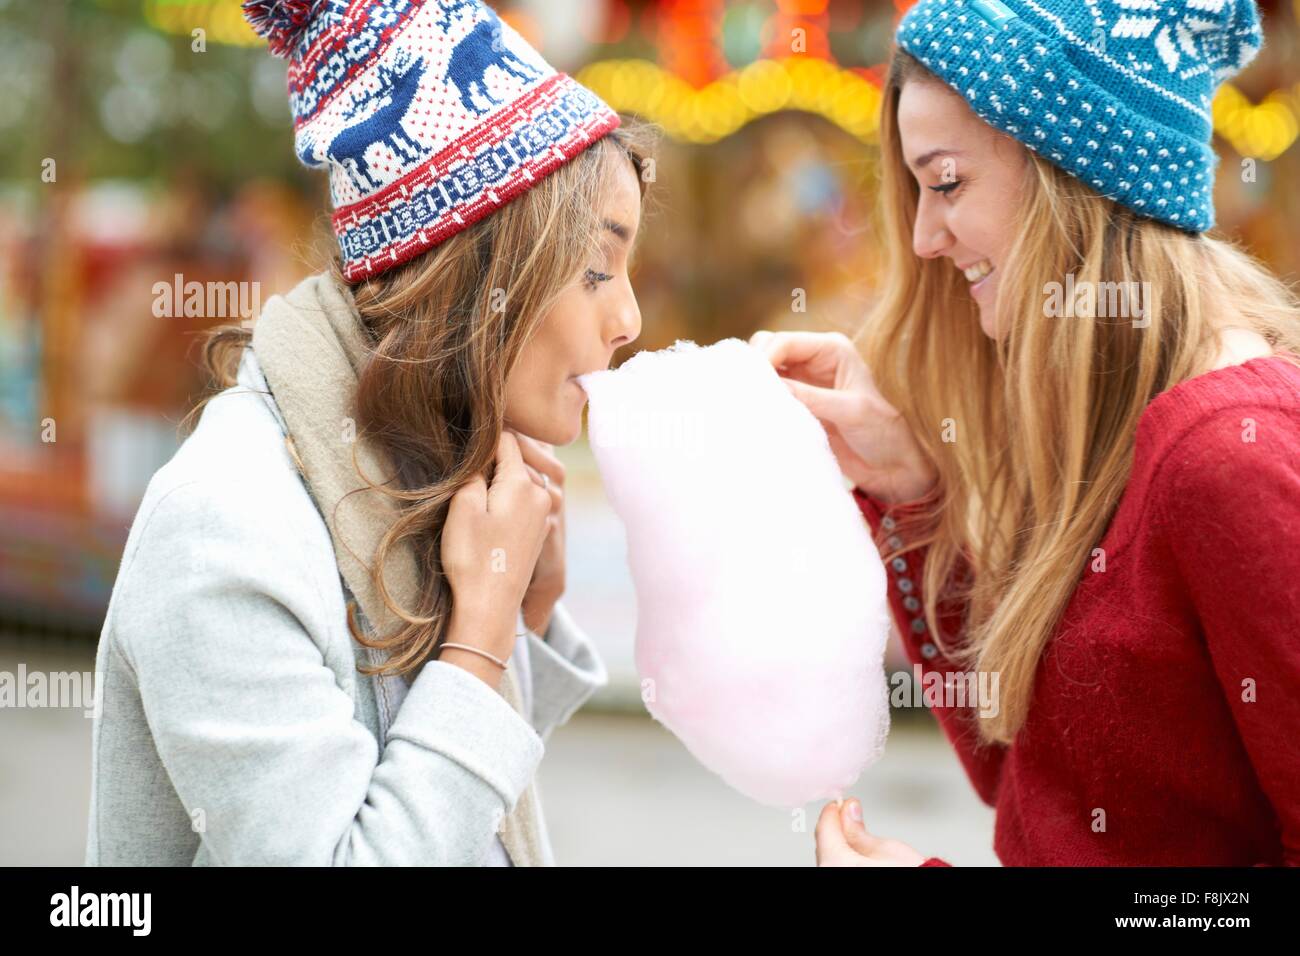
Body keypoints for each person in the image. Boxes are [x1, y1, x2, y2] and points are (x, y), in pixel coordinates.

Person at [85, 0, 648, 865]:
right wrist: (481, 630)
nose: (631, 317)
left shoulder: (413, 472)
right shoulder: (223, 526)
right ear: (473, 270)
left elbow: (452, 817)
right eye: (597, 269)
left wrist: (518, 620)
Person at [753, 0, 1300, 866]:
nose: (927, 237)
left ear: (1077, 171)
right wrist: (911, 494)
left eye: (947, 182)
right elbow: (1045, 781)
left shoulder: (1231, 459)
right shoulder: (1122, 430)